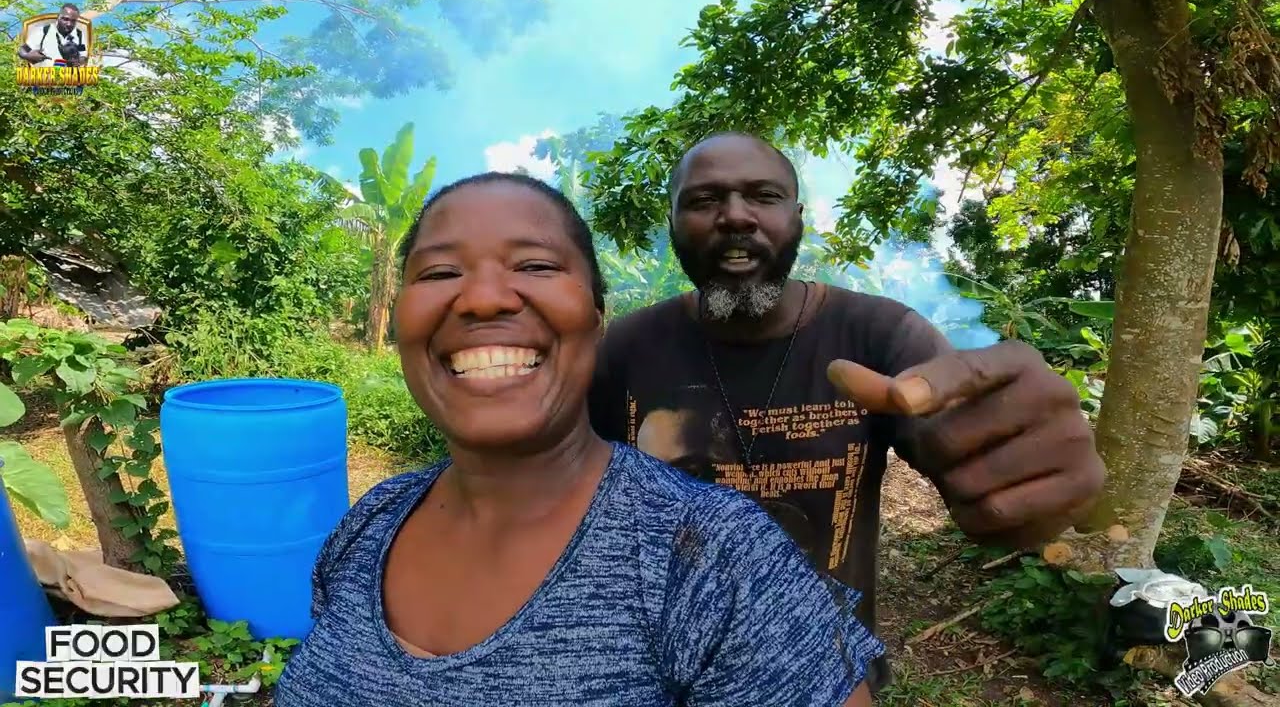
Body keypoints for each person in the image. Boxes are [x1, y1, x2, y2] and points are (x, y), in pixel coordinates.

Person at [274, 172, 884, 706]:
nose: (483, 298)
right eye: (440, 271)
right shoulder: (371, 523)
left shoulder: (710, 558)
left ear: (596, 319)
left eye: (535, 265)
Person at [587, 132, 1108, 692]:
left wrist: (1021, 473)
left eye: (762, 195)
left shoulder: (877, 335)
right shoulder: (626, 348)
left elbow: (961, 434)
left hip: (829, 677)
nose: (735, 216)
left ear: (798, 218)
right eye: (703, 199)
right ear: (671, 222)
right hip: (668, 677)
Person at [18, 4, 88, 68]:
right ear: (58, 17)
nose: (69, 24)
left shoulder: (79, 35)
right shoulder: (43, 31)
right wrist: (27, 56)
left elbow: (83, 56)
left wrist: (78, 61)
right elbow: (22, 50)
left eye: (73, 21)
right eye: (66, 19)